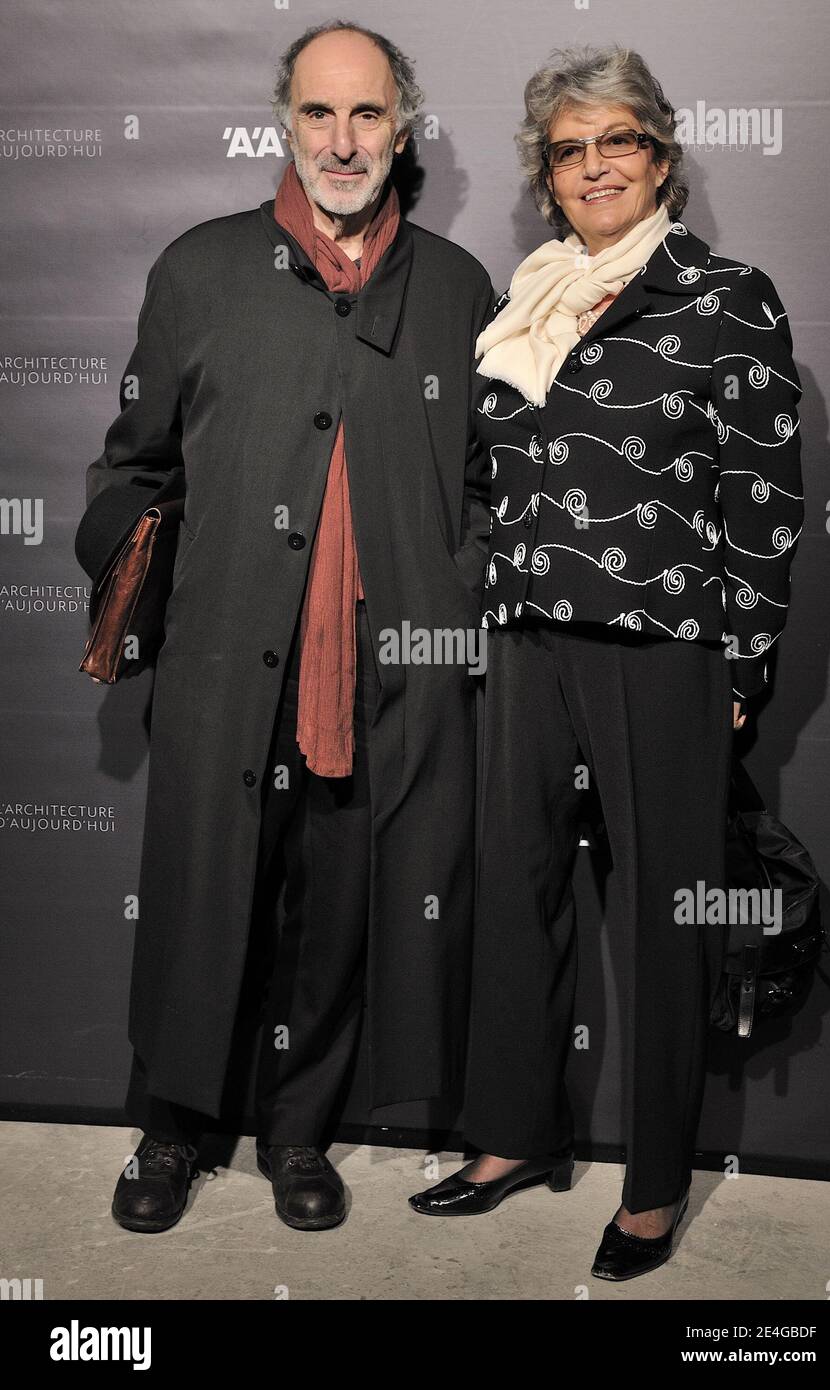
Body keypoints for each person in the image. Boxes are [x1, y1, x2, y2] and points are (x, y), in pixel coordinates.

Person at [75, 19, 494, 1234]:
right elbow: (133, 468)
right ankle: (172, 1128)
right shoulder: (199, 269)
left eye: (366, 114)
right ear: (283, 122)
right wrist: (149, 571)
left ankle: (296, 1133)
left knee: (340, 912)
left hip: (388, 679)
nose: (342, 139)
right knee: (205, 901)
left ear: (402, 128)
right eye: (318, 113)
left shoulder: (458, 289)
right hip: (224, 668)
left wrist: (447, 589)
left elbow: (478, 483)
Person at [408, 43, 803, 1281]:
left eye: (615, 142)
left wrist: (740, 663)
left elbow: (766, 494)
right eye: (569, 150)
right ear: (546, 173)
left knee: (663, 915)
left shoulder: (723, 295)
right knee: (513, 892)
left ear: (659, 156)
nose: (593, 166)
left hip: (661, 649)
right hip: (524, 638)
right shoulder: (524, 295)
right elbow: (487, 474)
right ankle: (511, 1134)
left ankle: (652, 1185)